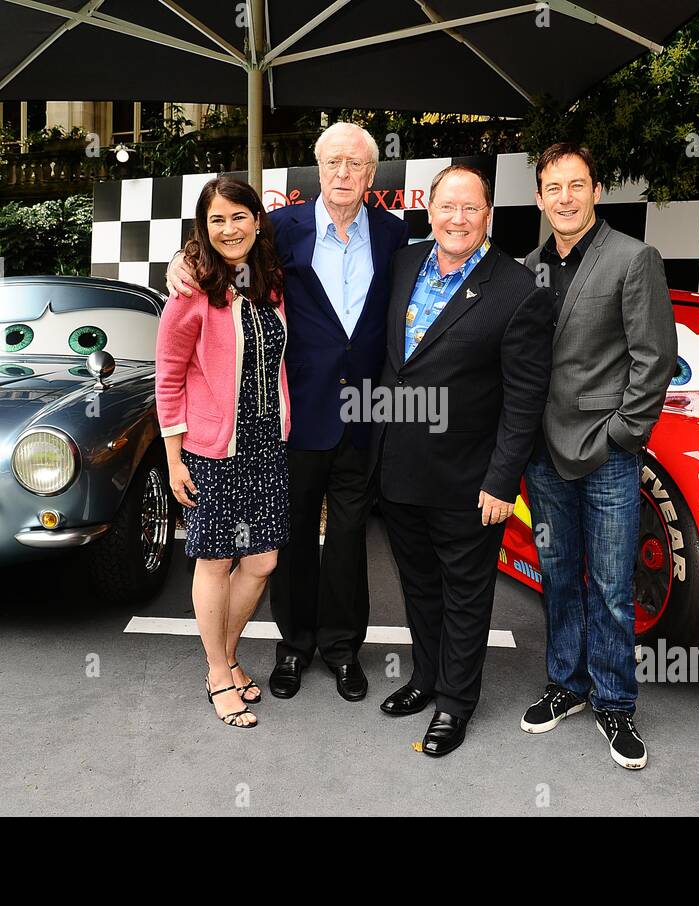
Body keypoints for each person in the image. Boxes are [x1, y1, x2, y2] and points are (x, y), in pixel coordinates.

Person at [168, 122, 410, 703]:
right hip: (295, 415)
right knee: (293, 537)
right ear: (317, 170)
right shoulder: (284, 228)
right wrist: (181, 259)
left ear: (372, 175)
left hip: (366, 413)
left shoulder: (399, 236)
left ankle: (343, 650)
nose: (344, 174)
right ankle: (294, 646)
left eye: (356, 165)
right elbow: (225, 241)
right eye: (334, 164)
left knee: (351, 538)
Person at [372, 165, 552, 757]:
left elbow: (525, 399)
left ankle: (455, 702)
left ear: (489, 215)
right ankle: (425, 679)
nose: (457, 219)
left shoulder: (517, 289)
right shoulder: (404, 263)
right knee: (418, 586)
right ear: (429, 211)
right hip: (399, 468)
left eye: (470, 209)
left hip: (470, 481)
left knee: (466, 595)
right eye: (447, 207)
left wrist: (503, 480)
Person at [518, 143, 677, 771]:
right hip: (543, 457)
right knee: (558, 575)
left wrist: (622, 436)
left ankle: (615, 701)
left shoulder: (633, 259)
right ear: (539, 197)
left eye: (576, 185)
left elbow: (653, 358)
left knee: (611, 584)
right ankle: (568, 684)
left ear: (597, 190)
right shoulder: (528, 266)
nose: (565, 197)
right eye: (553, 187)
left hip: (607, 455)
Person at [155, 175, 290, 730]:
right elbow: (168, 377)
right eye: (217, 219)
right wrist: (174, 457)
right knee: (215, 560)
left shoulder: (269, 284)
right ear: (203, 229)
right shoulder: (191, 292)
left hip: (267, 442)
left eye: (239, 216)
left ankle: (228, 653)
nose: (229, 228)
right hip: (212, 448)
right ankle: (218, 670)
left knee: (261, 560)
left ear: (258, 221)